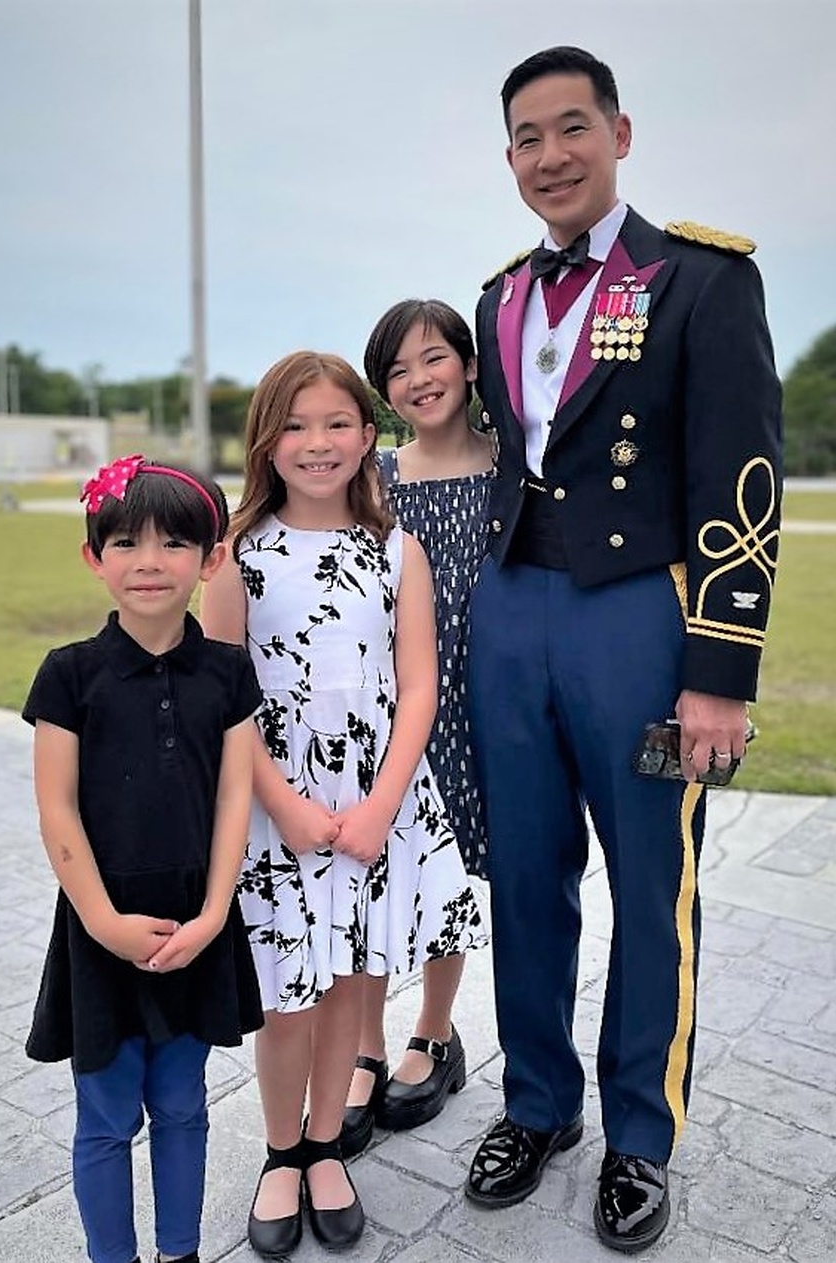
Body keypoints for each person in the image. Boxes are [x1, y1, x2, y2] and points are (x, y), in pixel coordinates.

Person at [464, 46, 782, 1252]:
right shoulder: (498, 296)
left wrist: (719, 675)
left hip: (639, 620)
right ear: (508, 157)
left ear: (619, 133)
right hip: (511, 613)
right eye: (526, 138)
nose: (549, 156)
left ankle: (639, 1135)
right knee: (524, 878)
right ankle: (537, 1105)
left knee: (649, 888)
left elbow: (744, 479)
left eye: (571, 128)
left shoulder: (700, 278)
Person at [200, 351, 485, 1257]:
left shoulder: (397, 550)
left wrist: (381, 805)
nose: (316, 442)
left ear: (368, 436)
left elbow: (419, 685)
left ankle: (326, 1147)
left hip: (374, 809)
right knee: (290, 997)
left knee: (351, 986)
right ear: (265, 442)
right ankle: (280, 1153)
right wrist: (280, 802)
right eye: (294, 425)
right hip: (276, 811)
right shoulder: (237, 557)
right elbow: (221, 697)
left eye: (335, 423)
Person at [22, 455, 264, 1263]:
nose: (149, 561)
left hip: (197, 923)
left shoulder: (228, 672)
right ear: (95, 557)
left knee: (183, 1104)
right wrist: (102, 920)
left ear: (211, 557)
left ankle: (180, 1250)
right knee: (105, 1116)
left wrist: (214, 913)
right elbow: (57, 808)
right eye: (126, 542)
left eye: (173, 542)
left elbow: (235, 796)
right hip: (103, 929)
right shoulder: (69, 675)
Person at [338, 300, 493, 1156]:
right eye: (396, 371)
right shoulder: (375, 478)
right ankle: (364, 1044)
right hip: (388, 711)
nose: (418, 380)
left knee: (449, 877)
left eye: (433, 358)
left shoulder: (514, 467)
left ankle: (435, 1032)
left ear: (468, 364)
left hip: (485, 703)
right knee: (369, 871)